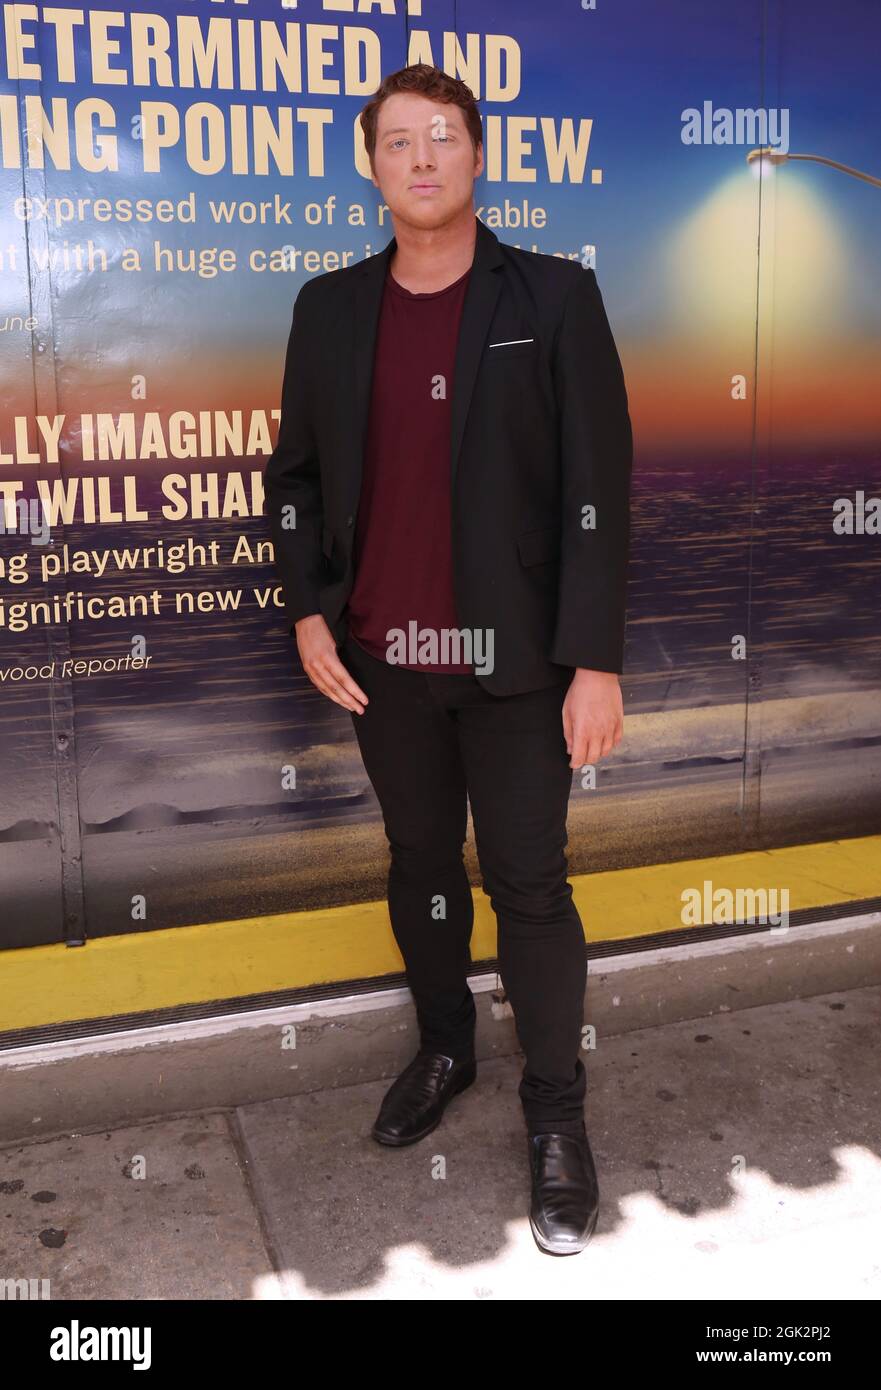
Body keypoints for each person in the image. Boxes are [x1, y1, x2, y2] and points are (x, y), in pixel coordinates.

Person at [263, 62, 633, 1256]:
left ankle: (557, 1116)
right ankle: (443, 1047)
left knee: (528, 885)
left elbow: (597, 494)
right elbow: (297, 483)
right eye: (397, 142)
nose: (421, 159)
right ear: (369, 166)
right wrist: (311, 613)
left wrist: (593, 659)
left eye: (443, 138)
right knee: (421, 863)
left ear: (477, 157)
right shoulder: (327, 309)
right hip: (386, 663)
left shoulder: (556, 298)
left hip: (516, 666)